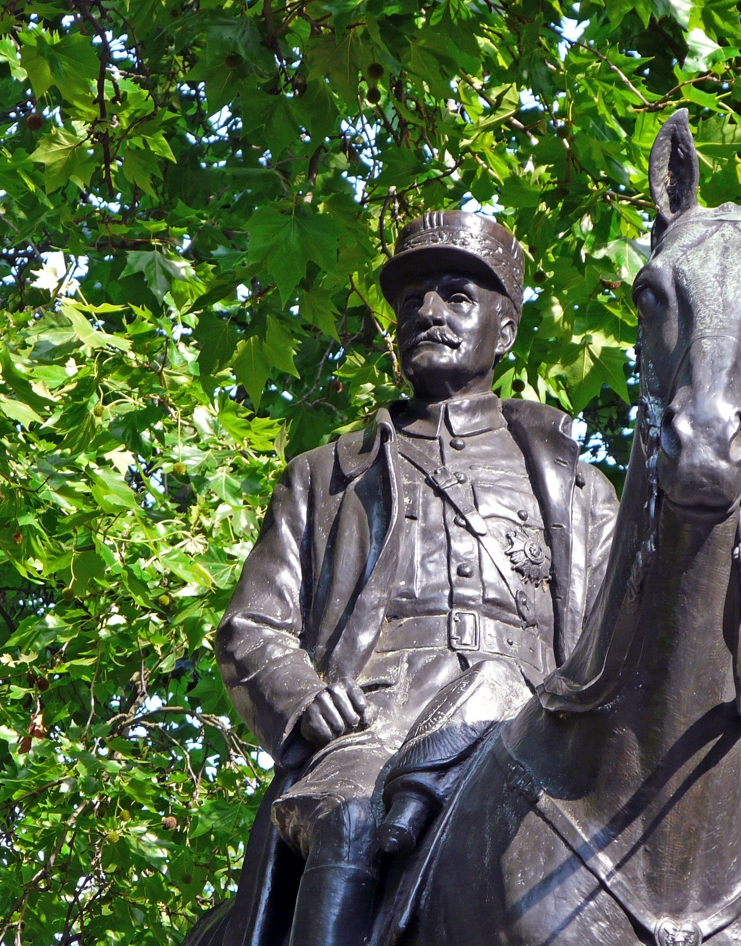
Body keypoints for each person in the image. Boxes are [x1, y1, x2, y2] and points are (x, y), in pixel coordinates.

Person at [214, 210, 620, 946]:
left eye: (456, 296)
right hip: (376, 725)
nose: (427, 313)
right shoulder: (324, 477)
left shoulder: (581, 490)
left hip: (529, 725)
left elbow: (623, 641)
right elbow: (252, 627)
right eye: (410, 302)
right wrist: (305, 701)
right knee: (351, 821)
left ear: (505, 329)